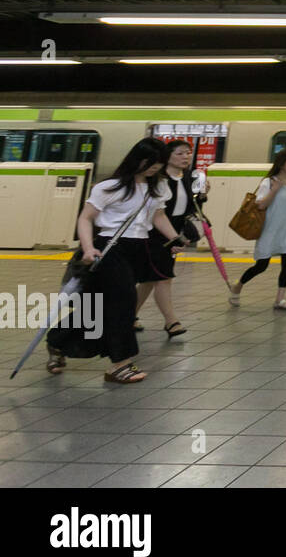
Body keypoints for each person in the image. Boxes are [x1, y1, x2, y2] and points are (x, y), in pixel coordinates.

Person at [47, 138, 183, 384]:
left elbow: (158, 216)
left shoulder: (158, 188)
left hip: (138, 248)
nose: (155, 167)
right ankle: (120, 364)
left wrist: (174, 238)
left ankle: (57, 343)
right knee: (124, 303)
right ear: (136, 159)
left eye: (159, 163)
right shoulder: (109, 187)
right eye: (150, 162)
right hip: (108, 248)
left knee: (96, 308)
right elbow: (86, 219)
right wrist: (88, 248)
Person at [227, 150, 286, 311]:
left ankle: (280, 299)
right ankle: (237, 286)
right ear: (281, 163)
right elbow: (261, 205)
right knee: (262, 265)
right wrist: (274, 189)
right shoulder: (269, 182)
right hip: (270, 229)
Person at [134, 139, 203, 339]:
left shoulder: (189, 177)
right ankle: (171, 321)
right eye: (180, 153)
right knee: (163, 278)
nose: (185, 157)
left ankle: (130, 315)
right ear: (168, 156)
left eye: (188, 153)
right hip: (154, 235)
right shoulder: (157, 179)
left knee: (148, 280)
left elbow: (189, 208)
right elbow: (156, 213)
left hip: (174, 234)